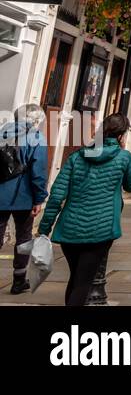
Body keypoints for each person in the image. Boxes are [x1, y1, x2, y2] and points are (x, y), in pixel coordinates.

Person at [38, 112, 131, 306]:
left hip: (70, 229)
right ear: (121, 135)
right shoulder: (124, 157)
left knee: (76, 279)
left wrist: (44, 228)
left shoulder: (77, 156)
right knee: (83, 283)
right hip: (101, 230)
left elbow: (57, 195)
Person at [0, 105, 48, 294]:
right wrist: (39, 198)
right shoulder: (36, 138)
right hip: (23, 195)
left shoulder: (1, 132)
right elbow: (38, 173)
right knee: (24, 237)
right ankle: (19, 280)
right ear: (36, 121)